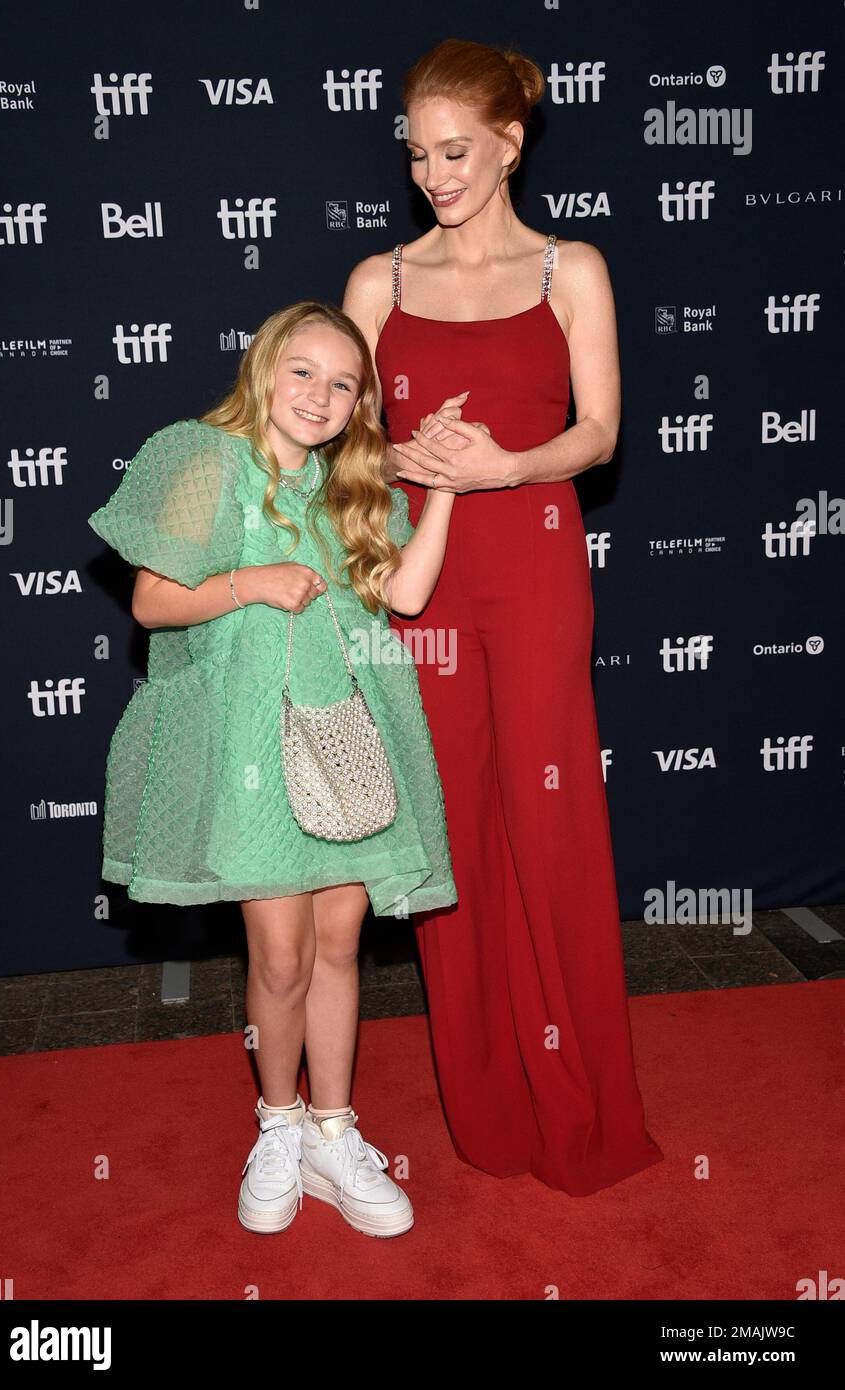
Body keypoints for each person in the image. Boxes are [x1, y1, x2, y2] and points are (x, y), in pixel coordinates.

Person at [341, 38, 664, 1196]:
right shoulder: (378, 282)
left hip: (532, 566)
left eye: (457, 151)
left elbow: (600, 433)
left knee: (552, 823)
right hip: (420, 580)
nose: (434, 174)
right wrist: (403, 459)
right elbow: (350, 441)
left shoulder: (569, 269)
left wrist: (502, 462)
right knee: (452, 829)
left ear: (511, 142)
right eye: (418, 153)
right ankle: (487, 1102)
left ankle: (580, 1102)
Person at [87, 300, 458, 1237]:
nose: (320, 396)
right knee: (280, 954)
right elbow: (151, 602)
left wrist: (447, 484)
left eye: (343, 384)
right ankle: (278, 1125)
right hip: (253, 749)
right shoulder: (203, 458)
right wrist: (247, 584)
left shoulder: (354, 485)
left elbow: (406, 594)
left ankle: (335, 1132)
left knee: (340, 946)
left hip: (346, 736)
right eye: (303, 372)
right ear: (264, 369)